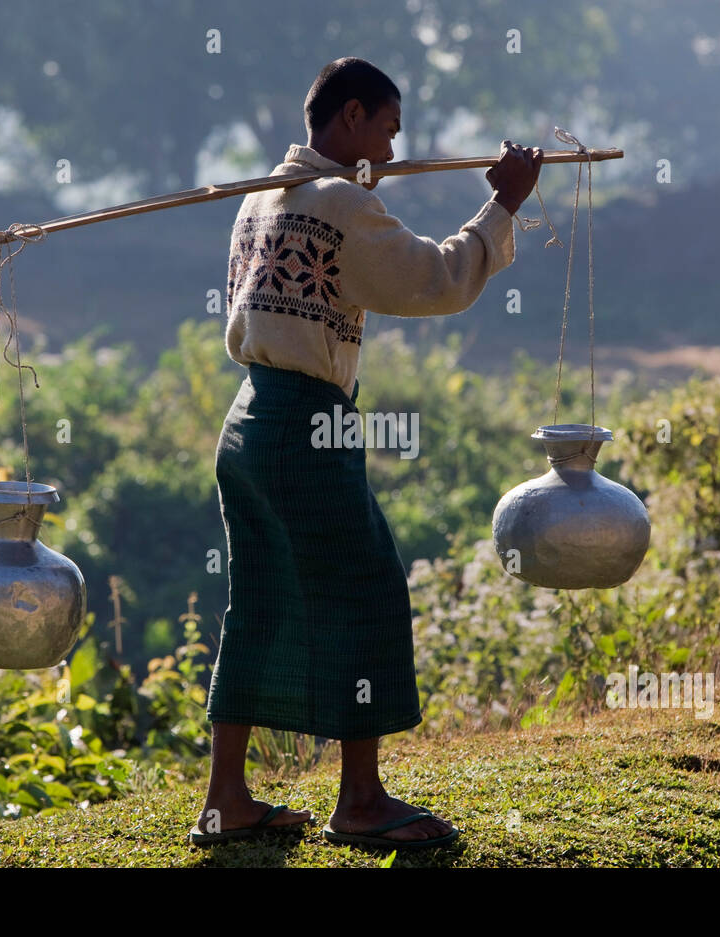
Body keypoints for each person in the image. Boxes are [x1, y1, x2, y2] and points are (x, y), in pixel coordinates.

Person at [191, 56, 543, 850]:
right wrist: (502, 204)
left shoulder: (259, 199)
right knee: (369, 589)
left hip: (248, 420)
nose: (389, 151)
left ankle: (226, 801)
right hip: (306, 427)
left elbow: (344, 261)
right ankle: (359, 801)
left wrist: (370, 190)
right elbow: (436, 279)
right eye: (385, 130)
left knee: (260, 600)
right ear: (350, 118)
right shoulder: (341, 204)